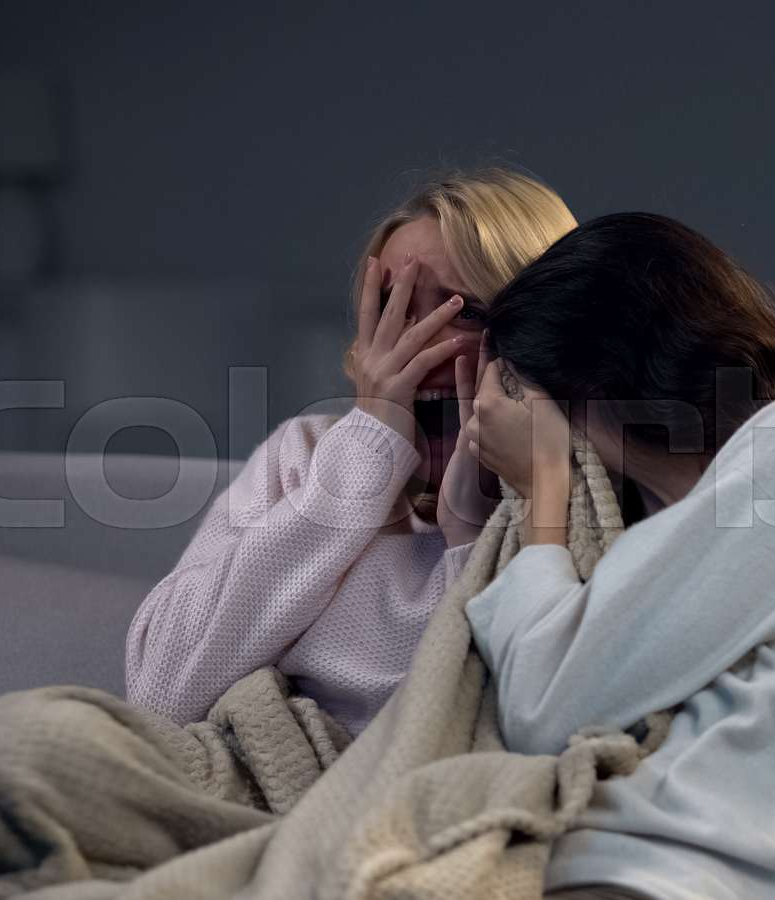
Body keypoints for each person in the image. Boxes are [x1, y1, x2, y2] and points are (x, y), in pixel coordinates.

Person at [461, 212, 775, 900]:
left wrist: (543, 485)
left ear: (600, 377)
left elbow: (544, 709)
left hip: (667, 882)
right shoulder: (701, 515)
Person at [124, 168, 577, 731]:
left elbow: (493, 727)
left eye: (465, 311)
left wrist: (470, 531)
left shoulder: (569, 498)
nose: (414, 346)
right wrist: (366, 451)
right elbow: (157, 691)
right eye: (391, 308)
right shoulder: (306, 454)